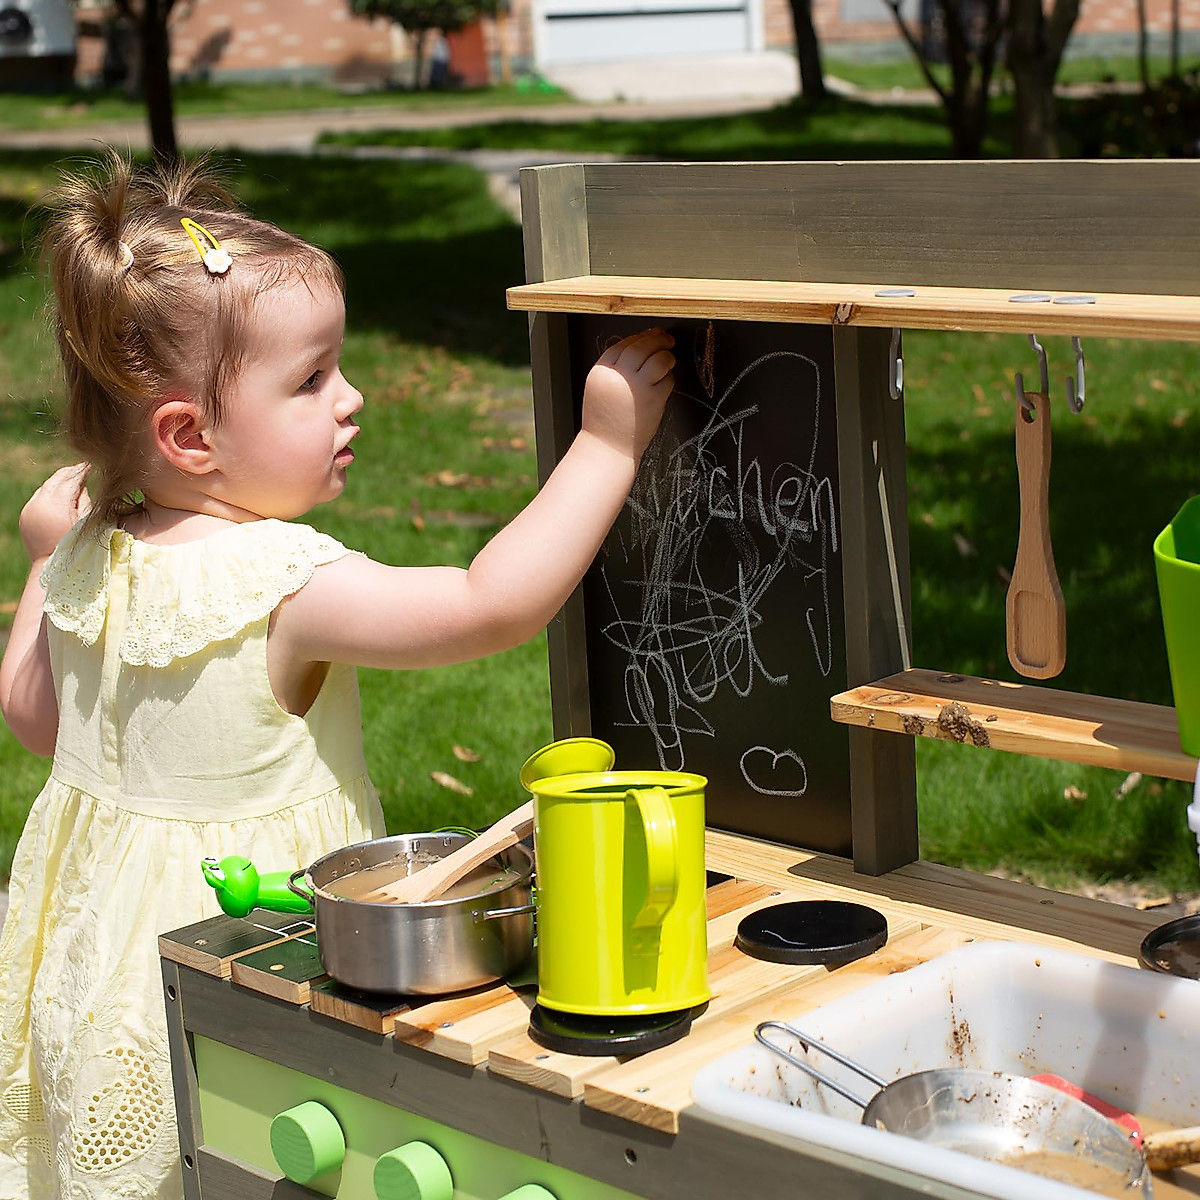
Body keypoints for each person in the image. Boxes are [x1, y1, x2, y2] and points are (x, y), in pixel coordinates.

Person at [0, 152, 673, 1200]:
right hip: (260, 943)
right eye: (311, 379)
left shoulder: (90, 554)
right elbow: (486, 603)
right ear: (191, 436)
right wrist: (607, 444)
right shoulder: (282, 584)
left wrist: (44, 557)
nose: (351, 398)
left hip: (100, 966)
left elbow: (39, 723)